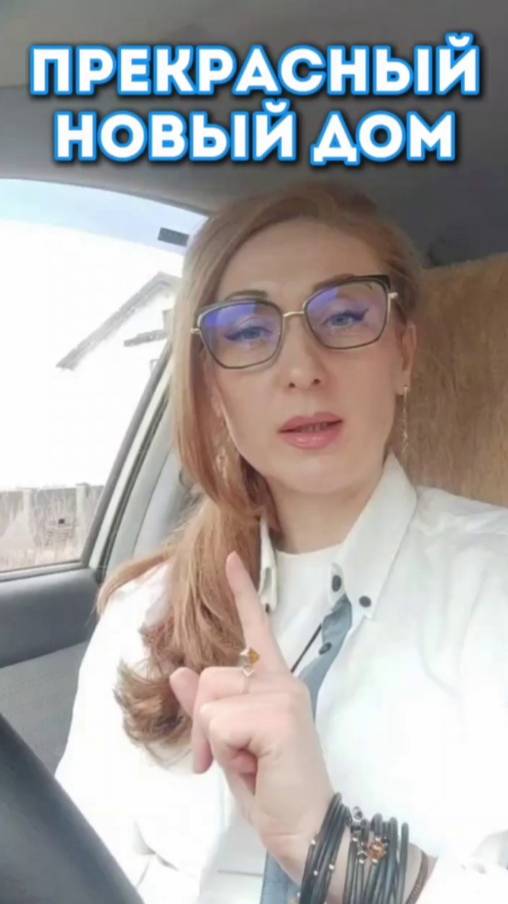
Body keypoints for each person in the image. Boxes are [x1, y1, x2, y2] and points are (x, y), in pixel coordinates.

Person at [55, 180, 508, 904]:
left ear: (403, 354)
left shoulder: (495, 585)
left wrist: (335, 849)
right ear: (212, 386)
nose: (301, 369)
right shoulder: (142, 617)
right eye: (246, 330)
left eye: (345, 316)